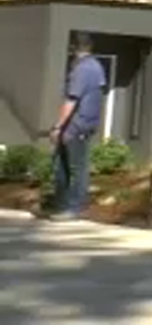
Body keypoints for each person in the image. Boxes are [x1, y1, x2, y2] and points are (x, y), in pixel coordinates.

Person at [49, 33, 106, 220]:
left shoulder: (81, 70)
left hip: (76, 125)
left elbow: (72, 100)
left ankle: (72, 208)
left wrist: (58, 127)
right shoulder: (97, 67)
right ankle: (61, 205)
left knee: (75, 167)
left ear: (74, 48)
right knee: (64, 164)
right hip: (87, 123)